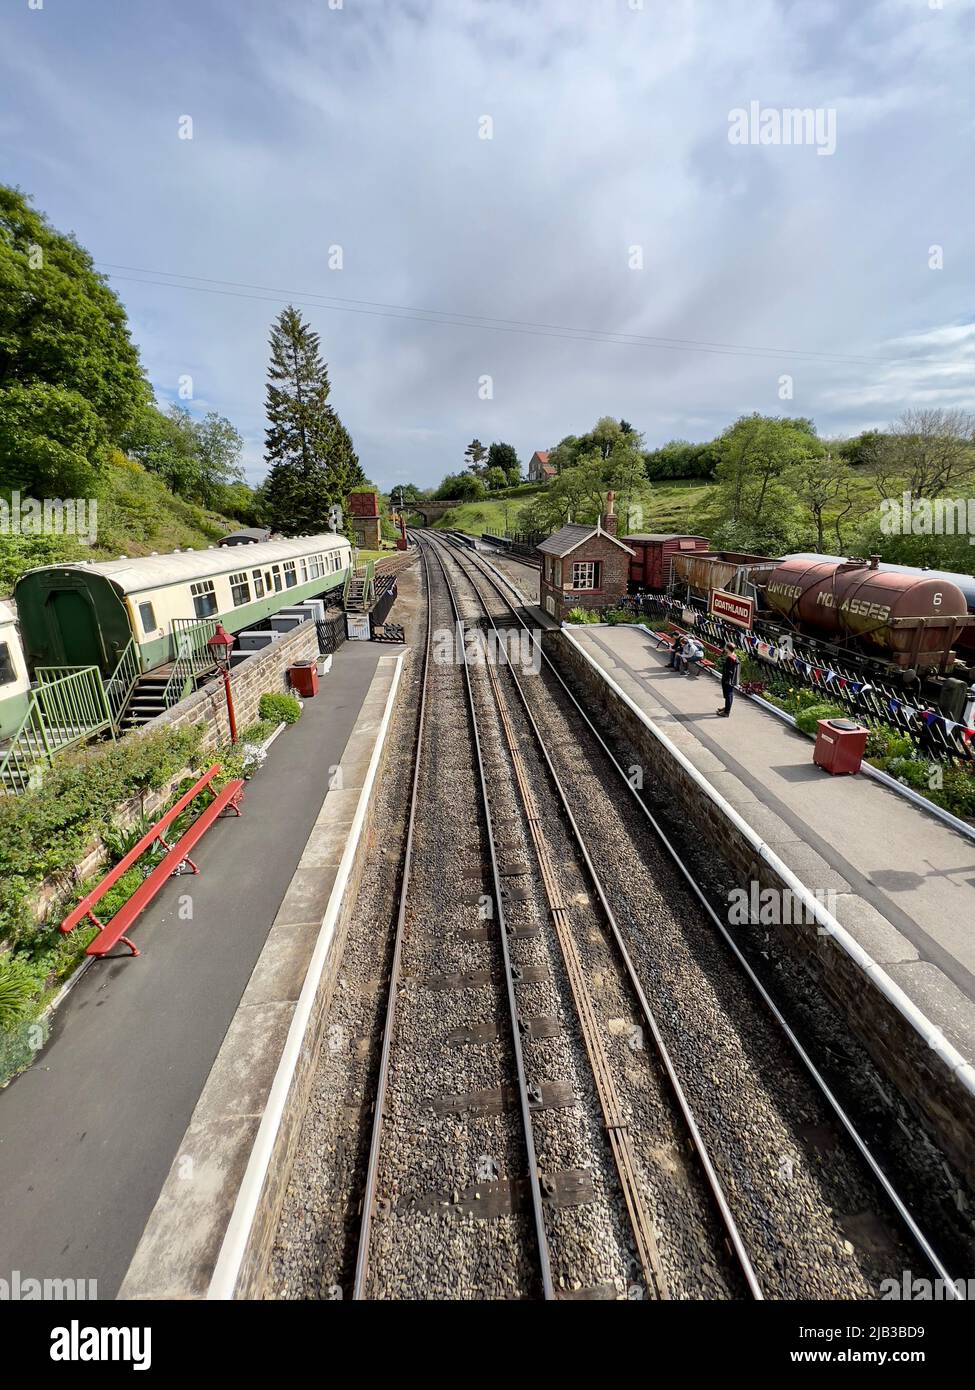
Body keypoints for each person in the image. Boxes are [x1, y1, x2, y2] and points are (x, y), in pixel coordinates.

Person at [717, 642, 740, 716]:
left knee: (728, 694)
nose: (724, 648)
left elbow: (729, 671)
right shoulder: (734, 656)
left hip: (728, 680)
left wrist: (726, 679)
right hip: (731, 679)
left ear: (727, 648)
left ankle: (727, 712)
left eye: (725, 647)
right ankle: (727, 707)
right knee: (729, 694)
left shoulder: (730, 658)